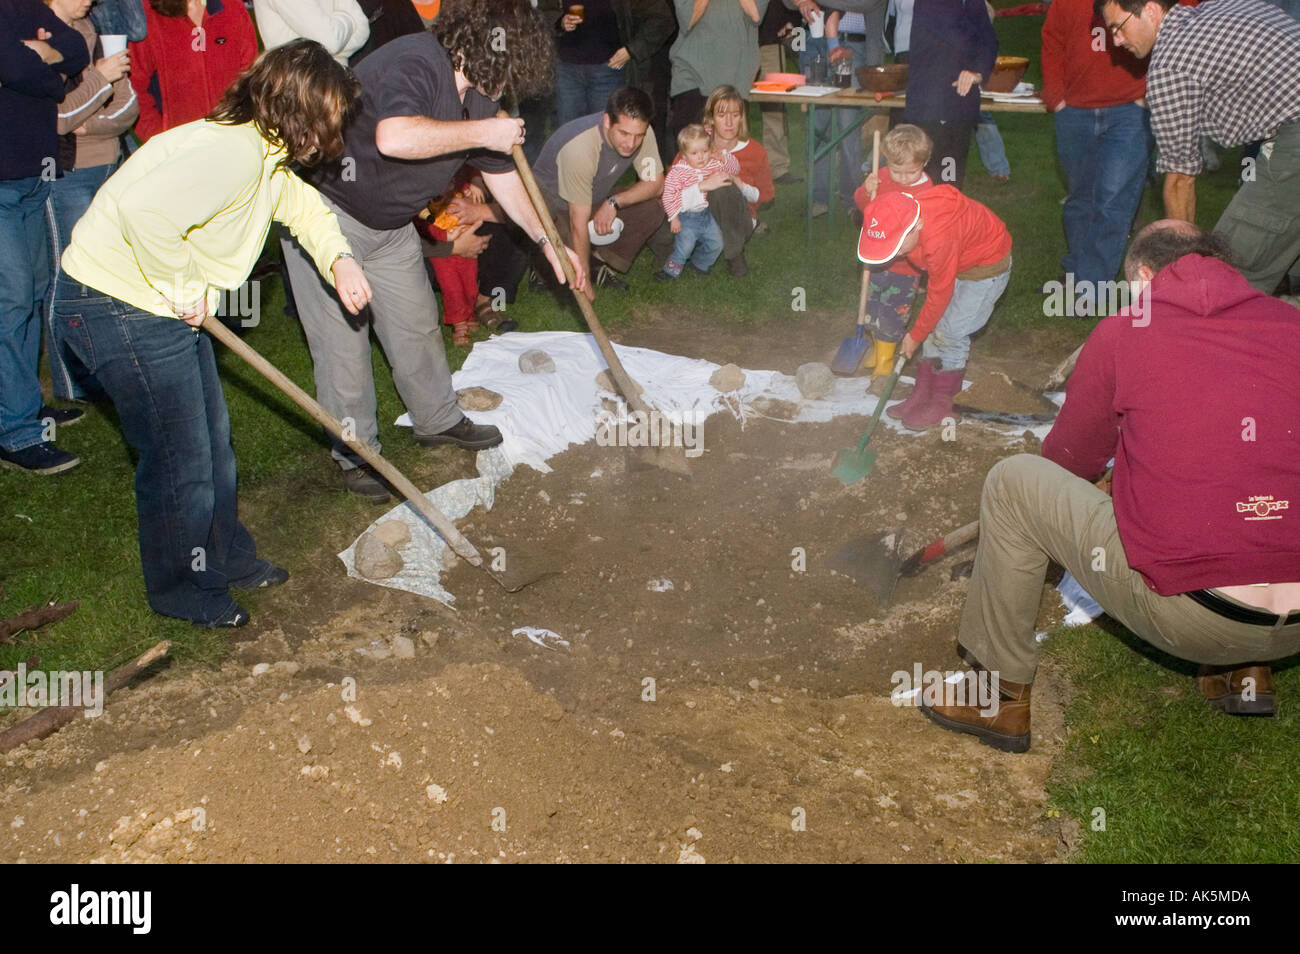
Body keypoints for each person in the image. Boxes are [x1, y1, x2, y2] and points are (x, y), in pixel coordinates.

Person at [917, 221, 1300, 752]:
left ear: (1144, 276)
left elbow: (1068, 461)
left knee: (1015, 482)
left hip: (1197, 615)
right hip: (1295, 625)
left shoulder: (1126, 330)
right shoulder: (1290, 322)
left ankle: (996, 697)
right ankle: (1248, 671)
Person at [56, 40, 372, 627]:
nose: (336, 131)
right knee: (180, 461)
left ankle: (225, 558)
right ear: (301, 111)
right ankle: (181, 590)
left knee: (212, 448)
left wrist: (339, 259)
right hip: (115, 305)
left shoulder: (262, 153)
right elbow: (143, 215)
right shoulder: (229, 155)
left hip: (159, 303)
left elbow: (300, 207)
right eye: (332, 117)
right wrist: (182, 289)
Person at [289, 0, 586, 504]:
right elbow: (394, 136)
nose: (508, 85)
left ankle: (437, 419)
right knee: (345, 350)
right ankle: (357, 454)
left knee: (417, 326)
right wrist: (484, 131)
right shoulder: (419, 61)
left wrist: (549, 243)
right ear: (483, 46)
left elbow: (503, 175)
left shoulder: (479, 93)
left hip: (390, 225)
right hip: (328, 218)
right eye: (508, 67)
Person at [1101, 0, 1300, 295]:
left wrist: (1185, 267)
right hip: (1287, 124)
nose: (1116, 41)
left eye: (1118, 27)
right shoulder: (1220, 10)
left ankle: (1208, 323)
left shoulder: (1170, 63)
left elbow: (1180, 179)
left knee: (1230, 265)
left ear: (1152, 10)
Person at [0, 0, 88, 476]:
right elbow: (16, 68)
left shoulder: (27, 5)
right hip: (2, 183)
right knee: (10, 301)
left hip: (33, 175)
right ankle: (14, 431)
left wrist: (40, 56)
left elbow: (76, 49)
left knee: (31, 295)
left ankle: (25, 407)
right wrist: (45, 69)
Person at [42, 0, 138, 405]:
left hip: (109, 166)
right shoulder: (41, 38)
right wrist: (100, 78)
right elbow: (57, 119)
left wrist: (91, 122)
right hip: (67, 174)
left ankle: (102, 367)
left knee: (106, 272)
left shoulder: (97, 29)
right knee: (68, 277)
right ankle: (73, 380)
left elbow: (127, 109)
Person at [856, 185, 1012, 429]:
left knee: (951, 332)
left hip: (986, 267)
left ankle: (946, 402)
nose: (893, 255)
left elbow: (940, 292)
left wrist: (915, 335)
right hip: (957, 262)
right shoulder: (906, 219)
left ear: (916, 226)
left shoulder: (938, 237)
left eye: (896, 248)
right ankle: (923, 393)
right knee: (931, 328)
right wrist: (920, 332)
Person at [1043, 0, 1149, 301]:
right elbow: (1052, 42)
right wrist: (1055, 98)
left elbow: (1171, 18)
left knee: (1113, 199)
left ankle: (1093, 287)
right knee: (1080, 197)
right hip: (1075, 110)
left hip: (1128, 108)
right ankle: (1078, 269)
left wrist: (1148, 90)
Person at [533, 86, 666, 291]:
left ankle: (598, 260)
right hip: (555, 208)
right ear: (607, 121)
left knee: (652, 209)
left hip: (593, 199)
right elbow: (578, 219)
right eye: (624, 133)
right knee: (566, 262)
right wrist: (583, 277)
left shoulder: (644, 133)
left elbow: (655, 184)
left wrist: (614, 202)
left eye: (638, 135)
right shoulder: (580, 147)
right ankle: (545, 262)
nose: (631, 143)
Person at [851, 123, 933, 379]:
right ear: (887, 161)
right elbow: (865, 208)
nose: (904, 178)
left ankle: (886, 359)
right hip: (875, 260)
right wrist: (866, 191)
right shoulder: (882, 176)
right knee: (872, 308)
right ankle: (876, 350)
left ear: (924, 163)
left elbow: (927, 232)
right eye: (898, 171)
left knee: (893, 314)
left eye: (911, 172)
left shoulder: (926, 191)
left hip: (904, 269)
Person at [130, 0, 257, 142]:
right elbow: (135, 88)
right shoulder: (148, 14)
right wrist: (160, 139)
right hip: (178, 147)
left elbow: (250, 75)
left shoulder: (231, 7)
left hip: (231, 138)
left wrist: (241, 126)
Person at [902, 0, 997, 189]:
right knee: (928, 184)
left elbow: (990, 41)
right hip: (931, 105)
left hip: (958, 107)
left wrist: (978, 72)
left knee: (950, 185)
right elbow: (961, 36)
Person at [667, 0, 768, 147]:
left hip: (736, 77)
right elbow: (687, 19)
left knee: (731, 159)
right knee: (691, 154)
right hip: (692, 75)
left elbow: (756, 14)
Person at [704, 84, 774, 275]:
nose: (729, 122)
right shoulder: (697, 145)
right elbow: (673, 181)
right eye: (721, 115)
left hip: (740, 219)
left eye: (735, 115)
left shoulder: (755, 151)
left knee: (724, 187)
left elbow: (766, 196)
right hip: (701, 214)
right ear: (710, 118)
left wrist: (740, 184)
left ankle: (734, 255)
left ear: (742, 118)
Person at [656, 124, 739, 280]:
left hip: (707, 215)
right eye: (694, 153)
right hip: (686, 216)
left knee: (717, 243)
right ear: (684, 156)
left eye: (704, 151)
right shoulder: (678, 172)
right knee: (685, 246)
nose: (701, 157)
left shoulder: (712, 163)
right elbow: (669, 195)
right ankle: (670, 270)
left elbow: (735, 170)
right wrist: (673, 218)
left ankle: (700, 263)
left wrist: (725, 158)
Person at [757, 0, 800, 184]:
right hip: (736, 45)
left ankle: (778, 167)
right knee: (733, 107)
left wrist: (792, 30)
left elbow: (793, 8)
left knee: (774, 107)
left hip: (771, 43)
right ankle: (736, 166)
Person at [252, 0, 371, 65]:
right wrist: (348, 18)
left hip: (335, 86)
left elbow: (363, 30)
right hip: (300, 91)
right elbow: (330, 41)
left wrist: (336, 39)